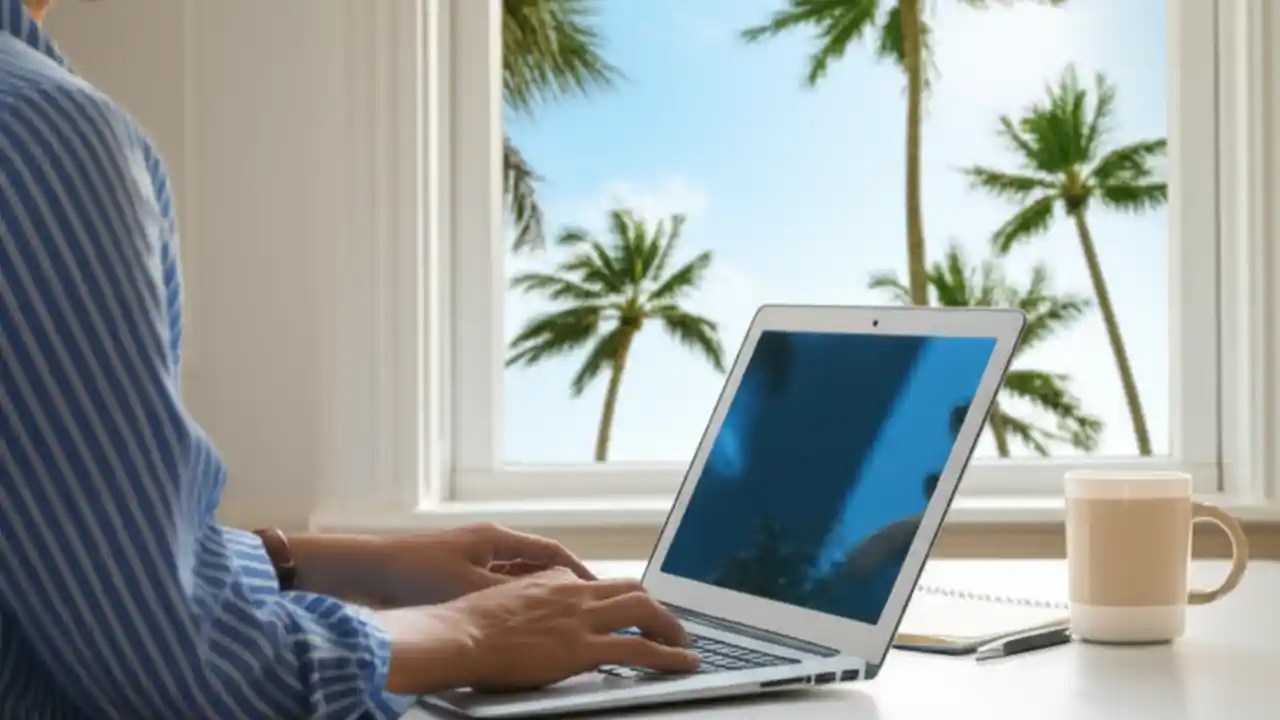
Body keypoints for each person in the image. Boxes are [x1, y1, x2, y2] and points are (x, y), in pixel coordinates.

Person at [0, 1, 698, 716]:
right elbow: (191, 676)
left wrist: (332, 562)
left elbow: (59, 555)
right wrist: (462, 630)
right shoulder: (41, 129)